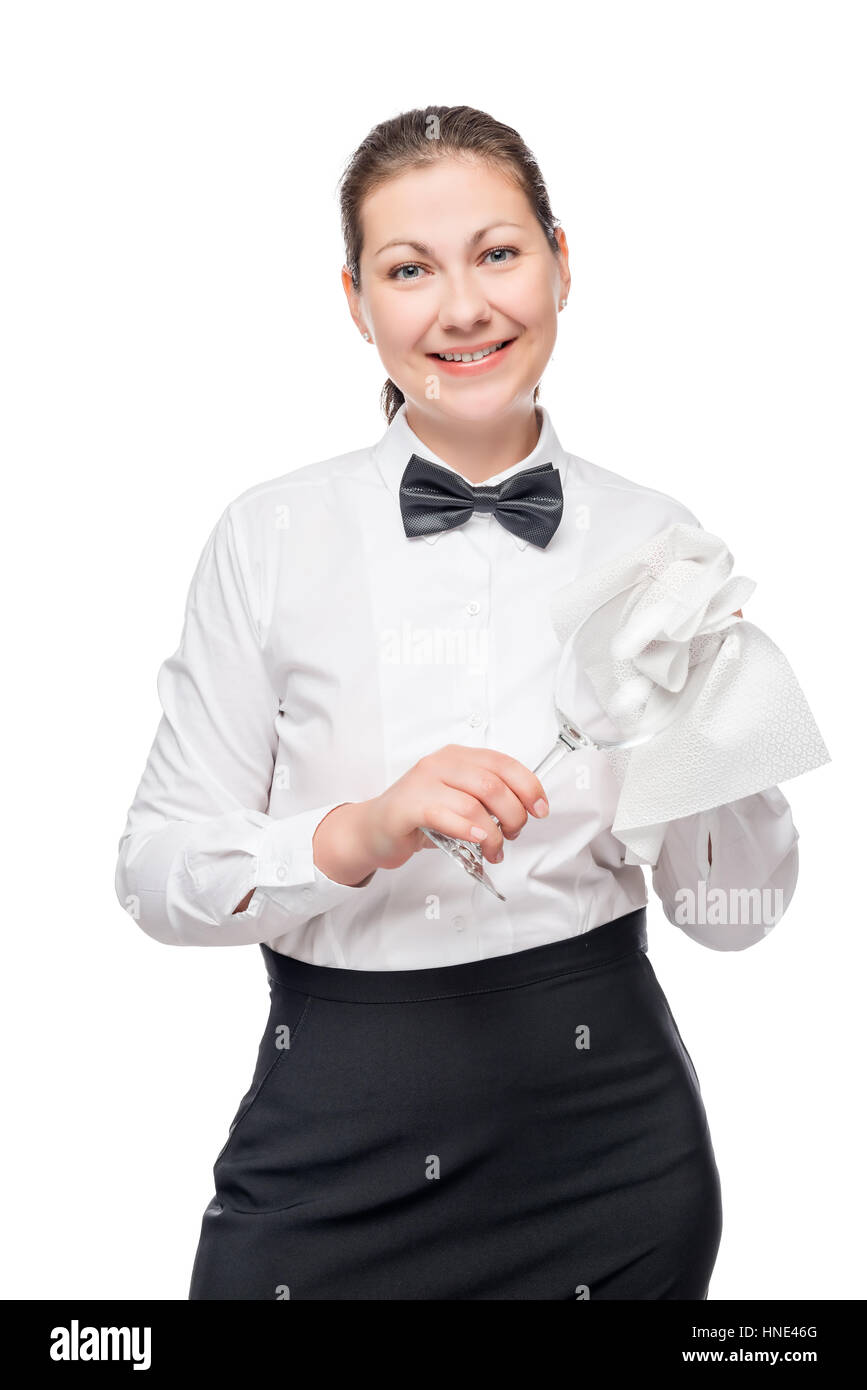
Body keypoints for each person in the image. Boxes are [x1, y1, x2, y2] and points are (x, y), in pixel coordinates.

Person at [115, 105, 800, 1300]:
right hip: (329, 1145)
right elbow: (154, 871)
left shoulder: (662, 543)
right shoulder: (268, 536)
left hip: (611, 1159)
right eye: (408, 270)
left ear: (562, 262)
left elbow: (735, 915)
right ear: (355, 300)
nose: (463, 307)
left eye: (498, 253)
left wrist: (712, 723)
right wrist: (355, 832)